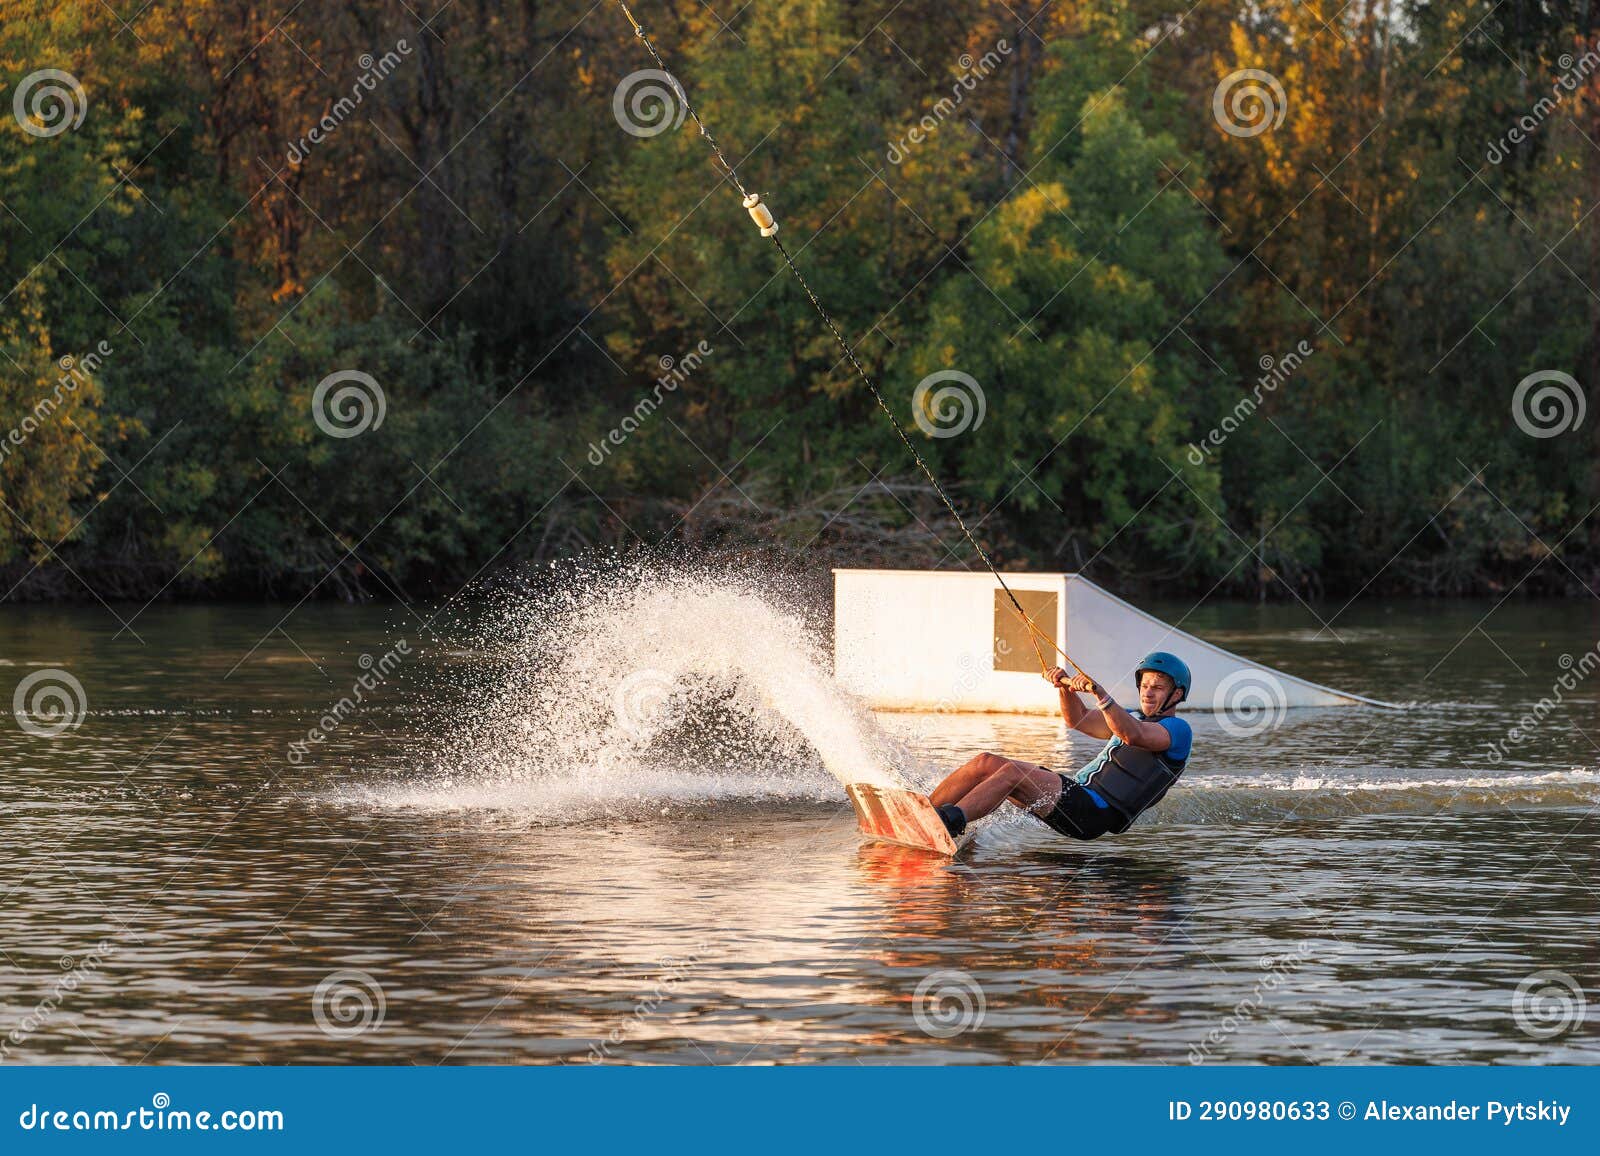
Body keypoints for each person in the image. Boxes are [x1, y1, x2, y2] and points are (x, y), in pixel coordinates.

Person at [926, 651, 1194, 841]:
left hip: (1094, 812)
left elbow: (1134, 735)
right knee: (986, 762)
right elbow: (1077, 720)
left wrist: (1100, 694)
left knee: (1011, 774)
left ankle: (949, 822)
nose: (1148, 692)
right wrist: (1065, 687)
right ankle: (925, 811)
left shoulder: (1178, 731)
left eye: (1157, 688)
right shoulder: (1129, 717)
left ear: (1177, 694)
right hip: (1075, 796)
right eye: (1145, 685)